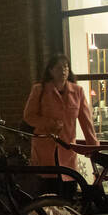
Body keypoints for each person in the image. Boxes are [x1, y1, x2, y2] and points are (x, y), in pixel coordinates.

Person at [23, 53, 99, 183]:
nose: (63, 71)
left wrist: (94, 147)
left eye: (66, 67)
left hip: (67, 149)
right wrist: (49, 123)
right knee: (48, 188)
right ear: (50, 71)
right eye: (58, 68)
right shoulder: (39, 90)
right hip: (44, 148)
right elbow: (29, 116)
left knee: (68, 187)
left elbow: (86, 122)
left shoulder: (77, 91)